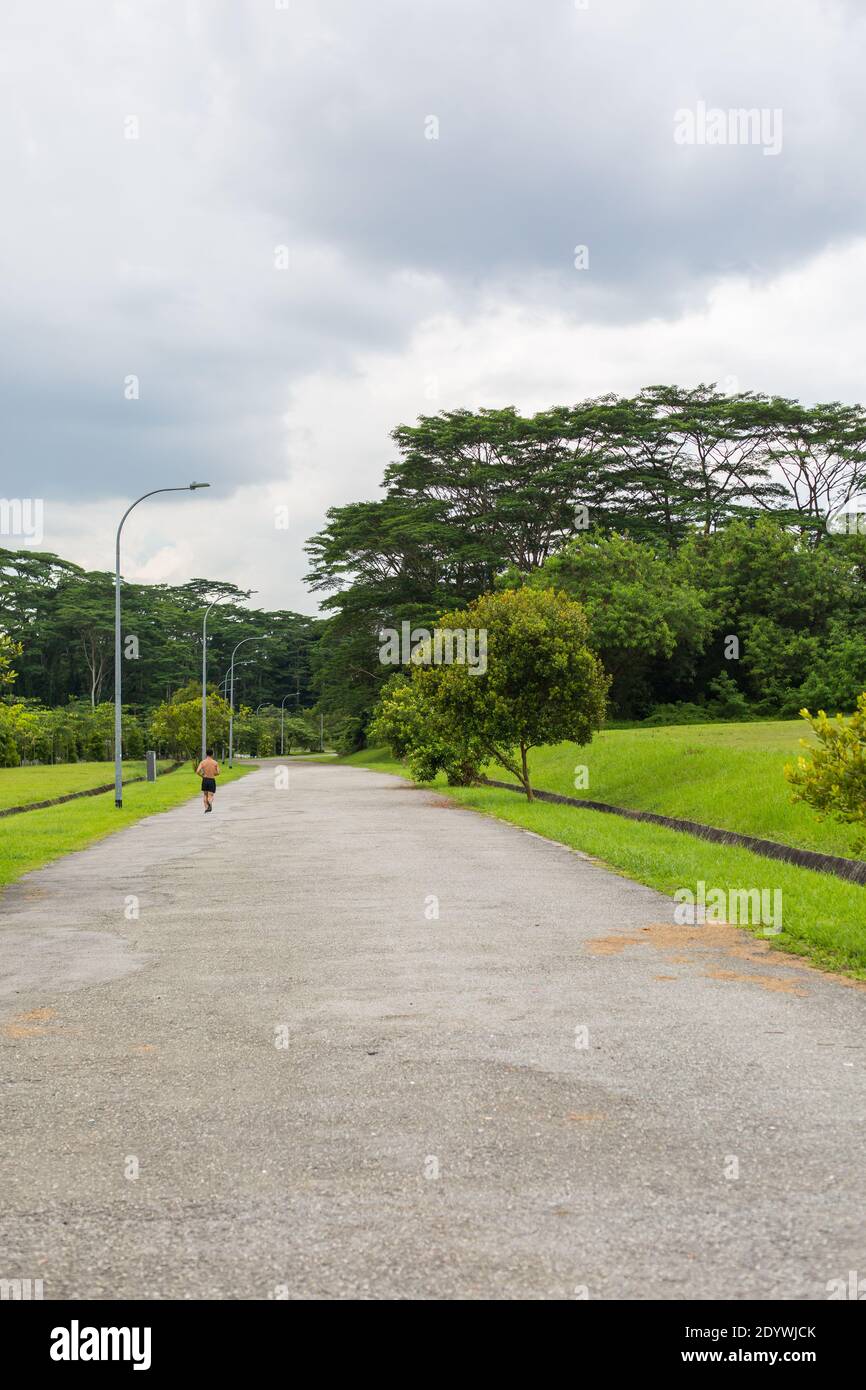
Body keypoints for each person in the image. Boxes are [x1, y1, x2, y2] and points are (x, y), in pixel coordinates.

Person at [195, 748, 220, 813]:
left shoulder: (202, 762)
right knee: (210, 795)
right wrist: (213, 773)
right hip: (211, 779)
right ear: (212, 754)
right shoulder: (215, 763)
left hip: (205, 779)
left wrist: (202, 776)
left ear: (206, 754)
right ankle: (210, 803)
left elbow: (197, 771)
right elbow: (218, 772)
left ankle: (206, 808)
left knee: (205, 795)